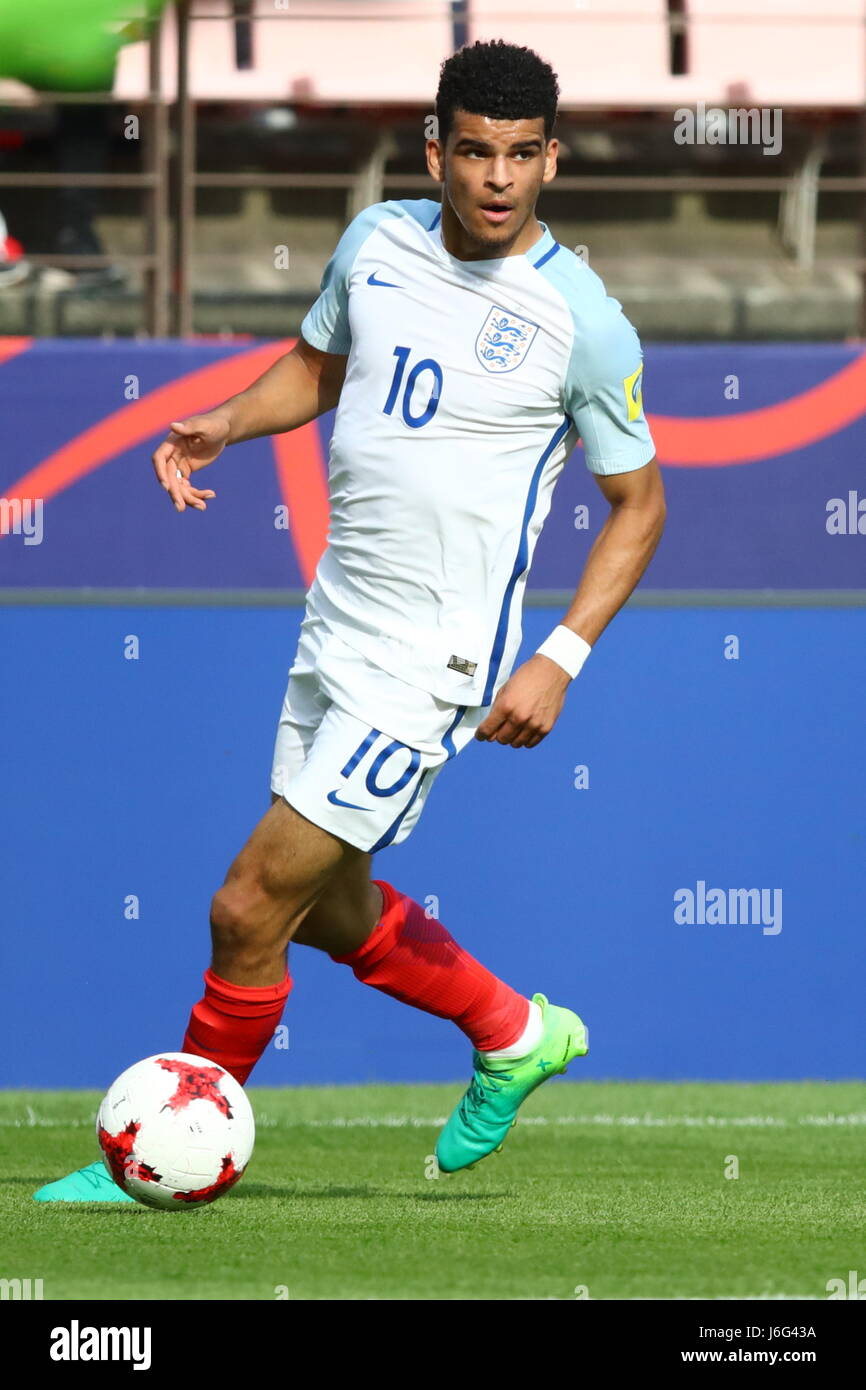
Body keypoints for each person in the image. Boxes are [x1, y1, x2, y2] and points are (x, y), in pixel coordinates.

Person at [35, 38, 665, 1202]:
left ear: (551, 163)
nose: (495, 179)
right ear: (434, 148)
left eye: (521, 156)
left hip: (432, 661)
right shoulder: (375, 241)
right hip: (334, 630)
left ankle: (159, 1165)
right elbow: (319, 369)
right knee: (328, 905)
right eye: (473, 150)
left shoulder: (580, 319)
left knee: (247, 902)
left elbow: (640, 504)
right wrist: (225, 420)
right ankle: (515, 1032)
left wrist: (559, 659)